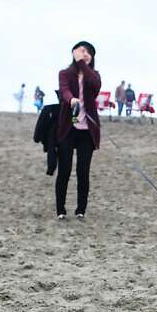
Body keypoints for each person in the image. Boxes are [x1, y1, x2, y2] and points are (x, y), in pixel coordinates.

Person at [55, 40, 102, 220]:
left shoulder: (94, 75)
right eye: (82, 51)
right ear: (74, 53)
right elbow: (64, 90)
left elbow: (95, 86)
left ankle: (81, 209)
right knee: (65, 169)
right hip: (68, 127)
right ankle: (60, 210)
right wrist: (71, 99)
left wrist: (82, 62)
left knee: (83, 171)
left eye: (89, 52)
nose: (86, 54)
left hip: (87, 130)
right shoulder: (65, 73)